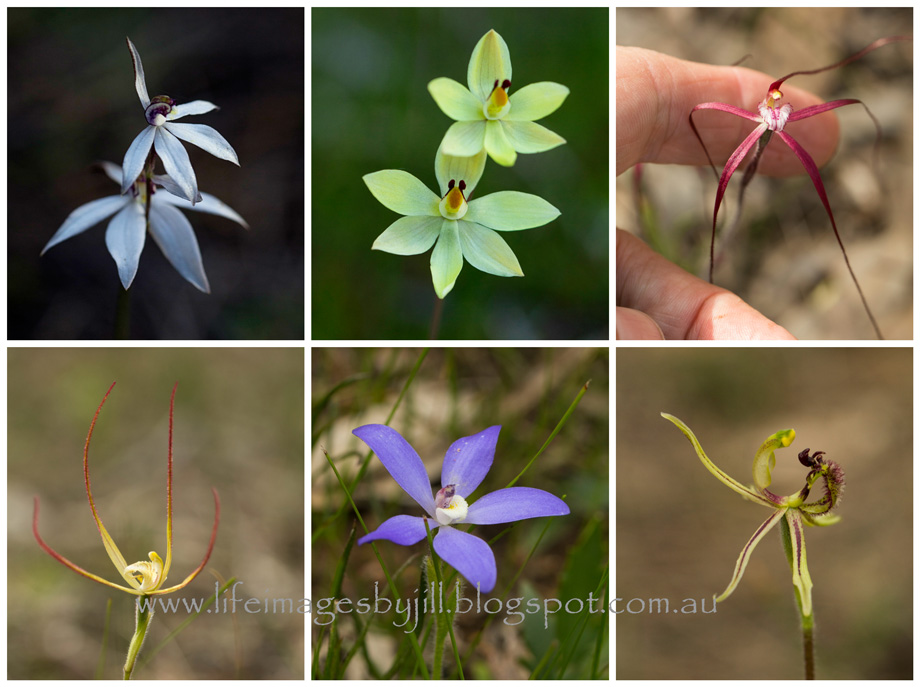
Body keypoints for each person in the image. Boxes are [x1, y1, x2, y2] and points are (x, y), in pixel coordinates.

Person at [616, 46, 841, 340]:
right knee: (723, 185)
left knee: (811, 183)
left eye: (778, 101)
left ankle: (711, 264)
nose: (775, 102)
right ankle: (711, 263)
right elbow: (697, 110)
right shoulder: (754, 118)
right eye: (771, 100)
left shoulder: (774, 121)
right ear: (764, 104)